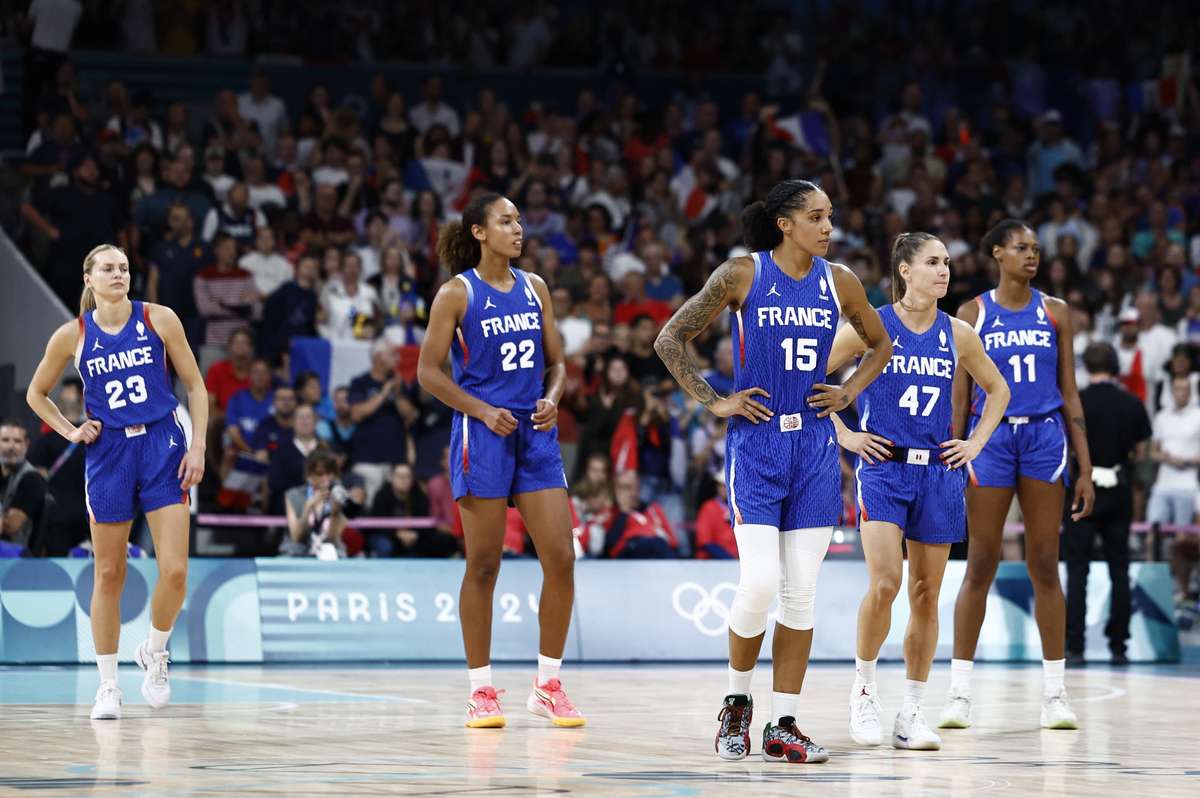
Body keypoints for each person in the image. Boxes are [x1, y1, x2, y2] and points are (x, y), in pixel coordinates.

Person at [654, 179, 892, 764]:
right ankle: (737, 702)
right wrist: (715, 400)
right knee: (759, 582)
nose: (829, 228)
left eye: (830, 217)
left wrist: (847, 392)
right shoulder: (742, 274)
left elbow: (879, 344)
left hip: (813, 448)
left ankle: (783, 721)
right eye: (817, 217)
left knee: (802, 594)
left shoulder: (841, 282)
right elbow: (670, 337)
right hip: (757, 444)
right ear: (785, 224)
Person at [825, 233, 1009, 751]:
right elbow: (815, 376)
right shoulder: (875, 323)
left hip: (939, 473)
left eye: (948, 262)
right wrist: (846, 434)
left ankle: (911, 711)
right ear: (905, 270)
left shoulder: (957, 332)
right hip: (884, 468)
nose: (944, 271)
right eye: (932, 262)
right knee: (885, 583)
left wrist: (975, 442)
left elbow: (999, 390)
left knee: (926, 595)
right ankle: (863, 691)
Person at [417, 191, 583, 729]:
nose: (518, 229)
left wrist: (553, 399)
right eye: (506, 221)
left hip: (534, 433)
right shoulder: (456, 294)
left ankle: (548, 684)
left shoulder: (536, 288)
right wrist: (483, 411)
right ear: (480, 233)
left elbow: (558, 364)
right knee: (484, 564)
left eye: (519, 221)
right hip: (482, 432)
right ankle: (481, 689)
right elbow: (429, 373)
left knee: (560, 556)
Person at [25, 244, 207, 721]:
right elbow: (36, 393)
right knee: (109, 573)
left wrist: (199, 446)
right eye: (107, 268)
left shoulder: (159, 319)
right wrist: (70, 429)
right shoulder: (73, 334)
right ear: (89, 278)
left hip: (163, 445)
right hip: (109, 455)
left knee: (175, 570)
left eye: (124, 268)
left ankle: (155, 651)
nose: (118, 274)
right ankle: (108, 685)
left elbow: (197, 385)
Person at [941, 219, 1095, 731]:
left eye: (1035, 248)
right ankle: (959, 694)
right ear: (996, 254)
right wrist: (954, 456)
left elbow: (1070, 390)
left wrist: (1086, 466)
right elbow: (960, 398)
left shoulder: (1056, 312)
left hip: (1045, 437)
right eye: (1021, 248)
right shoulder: (972, 313)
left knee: (1045, 563)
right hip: (991, 439)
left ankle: (1055, 694)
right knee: (980, 562)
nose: (1032, 255)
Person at [1063, 343, 1151, 666]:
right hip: (1118, 487)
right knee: (1119, 568)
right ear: (1115, 367)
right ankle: (1119, 645)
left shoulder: (1078, 402)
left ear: (1086, 366)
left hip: (1081, 488)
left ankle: (1074, 646)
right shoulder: (1132, 403)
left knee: (1077, 569)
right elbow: (1141, 453)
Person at [27, 378, 89, 555]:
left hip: (90, 515)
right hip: (58, 516)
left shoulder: (95, 434)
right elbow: (34, 474)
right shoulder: (47, 439)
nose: (62, 396)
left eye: (68, 391)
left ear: (82, 396)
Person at [369, 462, 458, 558]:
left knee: (442, 541)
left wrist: (415, 534)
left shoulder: (419, 496)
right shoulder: (381, 496)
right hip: (389, 536)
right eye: (399, 476)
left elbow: (426, 523)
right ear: (391, 478)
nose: (403, 480)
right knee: (384, 545)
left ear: (412, 479)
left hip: (414, 536)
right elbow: (377, 525)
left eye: (407, 476)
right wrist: (397, 534)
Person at [282, 449, 346, 558]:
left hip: (330, 552)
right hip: (297, 552)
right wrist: (307, 507)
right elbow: (296, 537)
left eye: (329, 473)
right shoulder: (293, 495)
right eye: (319, 474)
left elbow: (334, 539)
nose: (325, 479)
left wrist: (335, 514)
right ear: (309, 475)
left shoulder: (340, 496)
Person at [0, 420, 48, 554]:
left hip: (17, 555)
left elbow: (10, 526)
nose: (11, 446)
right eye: (5, 440)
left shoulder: (32, 478)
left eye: (17, 441)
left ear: (26, 445)